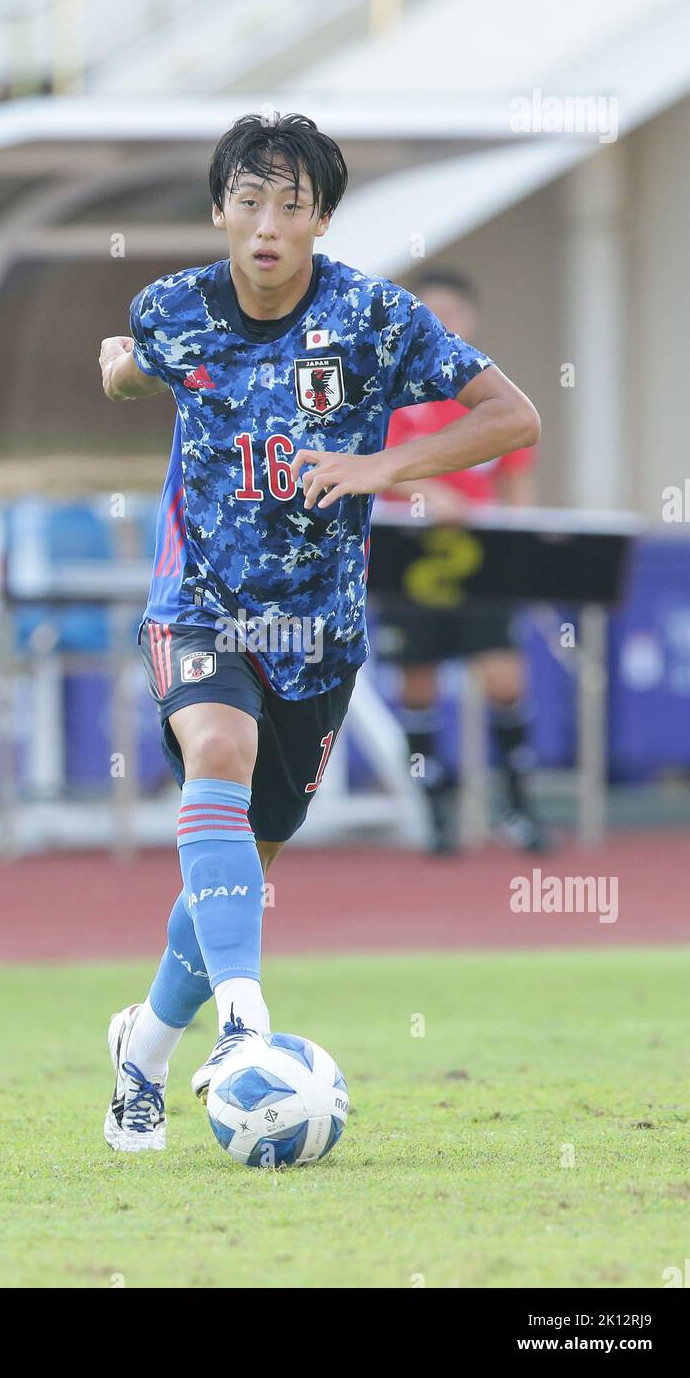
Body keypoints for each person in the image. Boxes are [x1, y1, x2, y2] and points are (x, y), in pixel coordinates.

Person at [97, 112, 540, 1152]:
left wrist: (378, 469)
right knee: (216, 748)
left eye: (288, 205)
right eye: (246, 201)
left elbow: (511, 415)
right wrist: (120, 365)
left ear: (320, 218)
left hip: (316, 639)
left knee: (246, 863)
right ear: (219, 212)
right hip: (195, 607)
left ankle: (145, 1052)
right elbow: (135, 363)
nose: (264, 224)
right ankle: (247, 1022)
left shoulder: (375, 319)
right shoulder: (173, 309)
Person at [375, 269, 546, 854]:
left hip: (479, 554)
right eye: (432, 312)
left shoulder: (493, 397)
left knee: (503, 677)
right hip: (409, 556)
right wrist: (423, 494)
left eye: (454, 312)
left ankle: (518, 805)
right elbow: (375, 468)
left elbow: (519, 473)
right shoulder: (391, 393)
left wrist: (520, 539)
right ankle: (436, 809)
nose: (444, 323)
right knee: (418, 684)